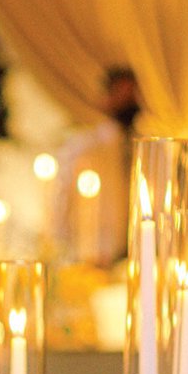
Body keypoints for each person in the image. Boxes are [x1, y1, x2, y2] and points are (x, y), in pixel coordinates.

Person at [54, 67, 141, 265]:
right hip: (97, 254)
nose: (128, 101)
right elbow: (63, 203)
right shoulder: (85, 148)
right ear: (106, 98)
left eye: (132, 95)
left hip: (139, 254)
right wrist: (66, 249)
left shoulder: (148, 148)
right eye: (121, 94)